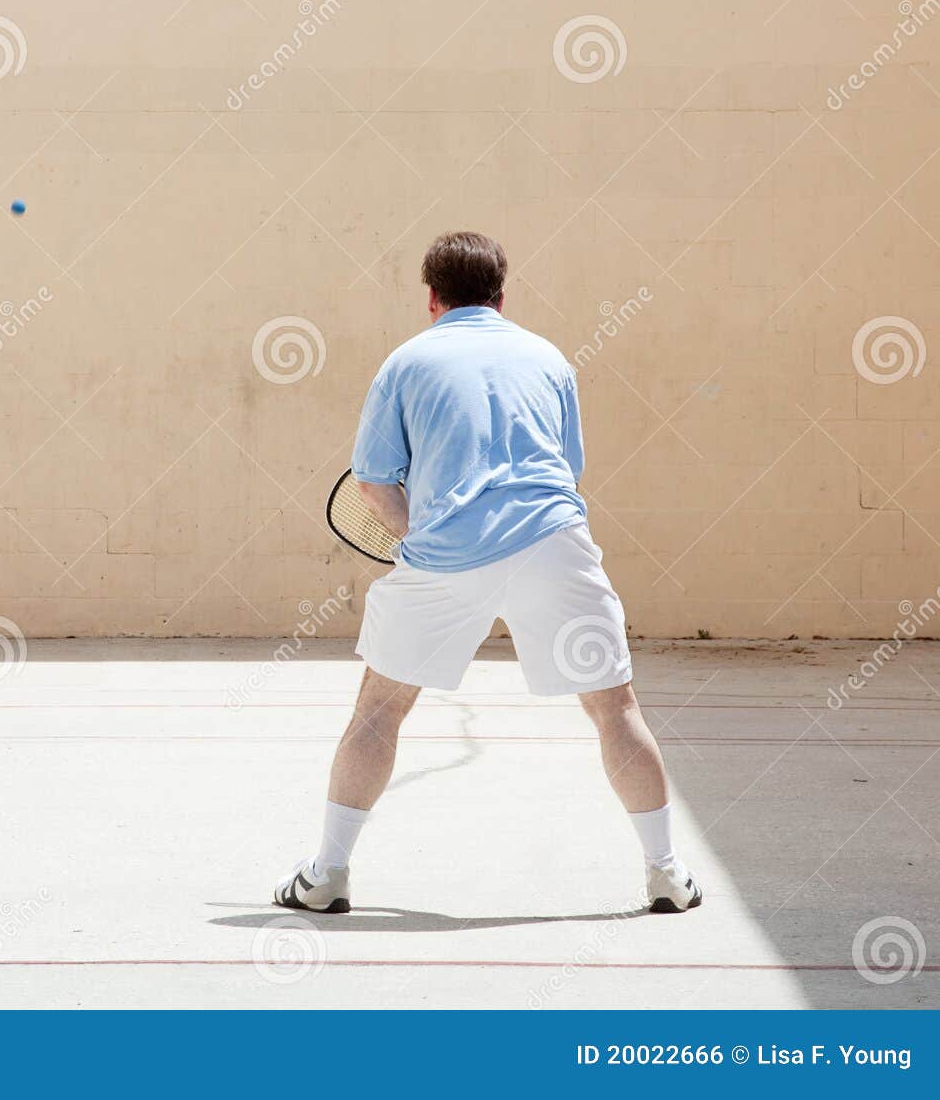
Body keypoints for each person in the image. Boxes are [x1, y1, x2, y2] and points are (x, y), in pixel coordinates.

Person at [275, 231, 701, 915]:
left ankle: (327, 875)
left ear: (432, 298)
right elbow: (566, 470)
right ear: (502, 295)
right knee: (615, 709)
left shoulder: (405, 362)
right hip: (553, 544)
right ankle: (667, 875)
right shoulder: (550, 358)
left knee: (380, 710)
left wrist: (418, 535)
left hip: (445, 556)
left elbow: (373, 483)